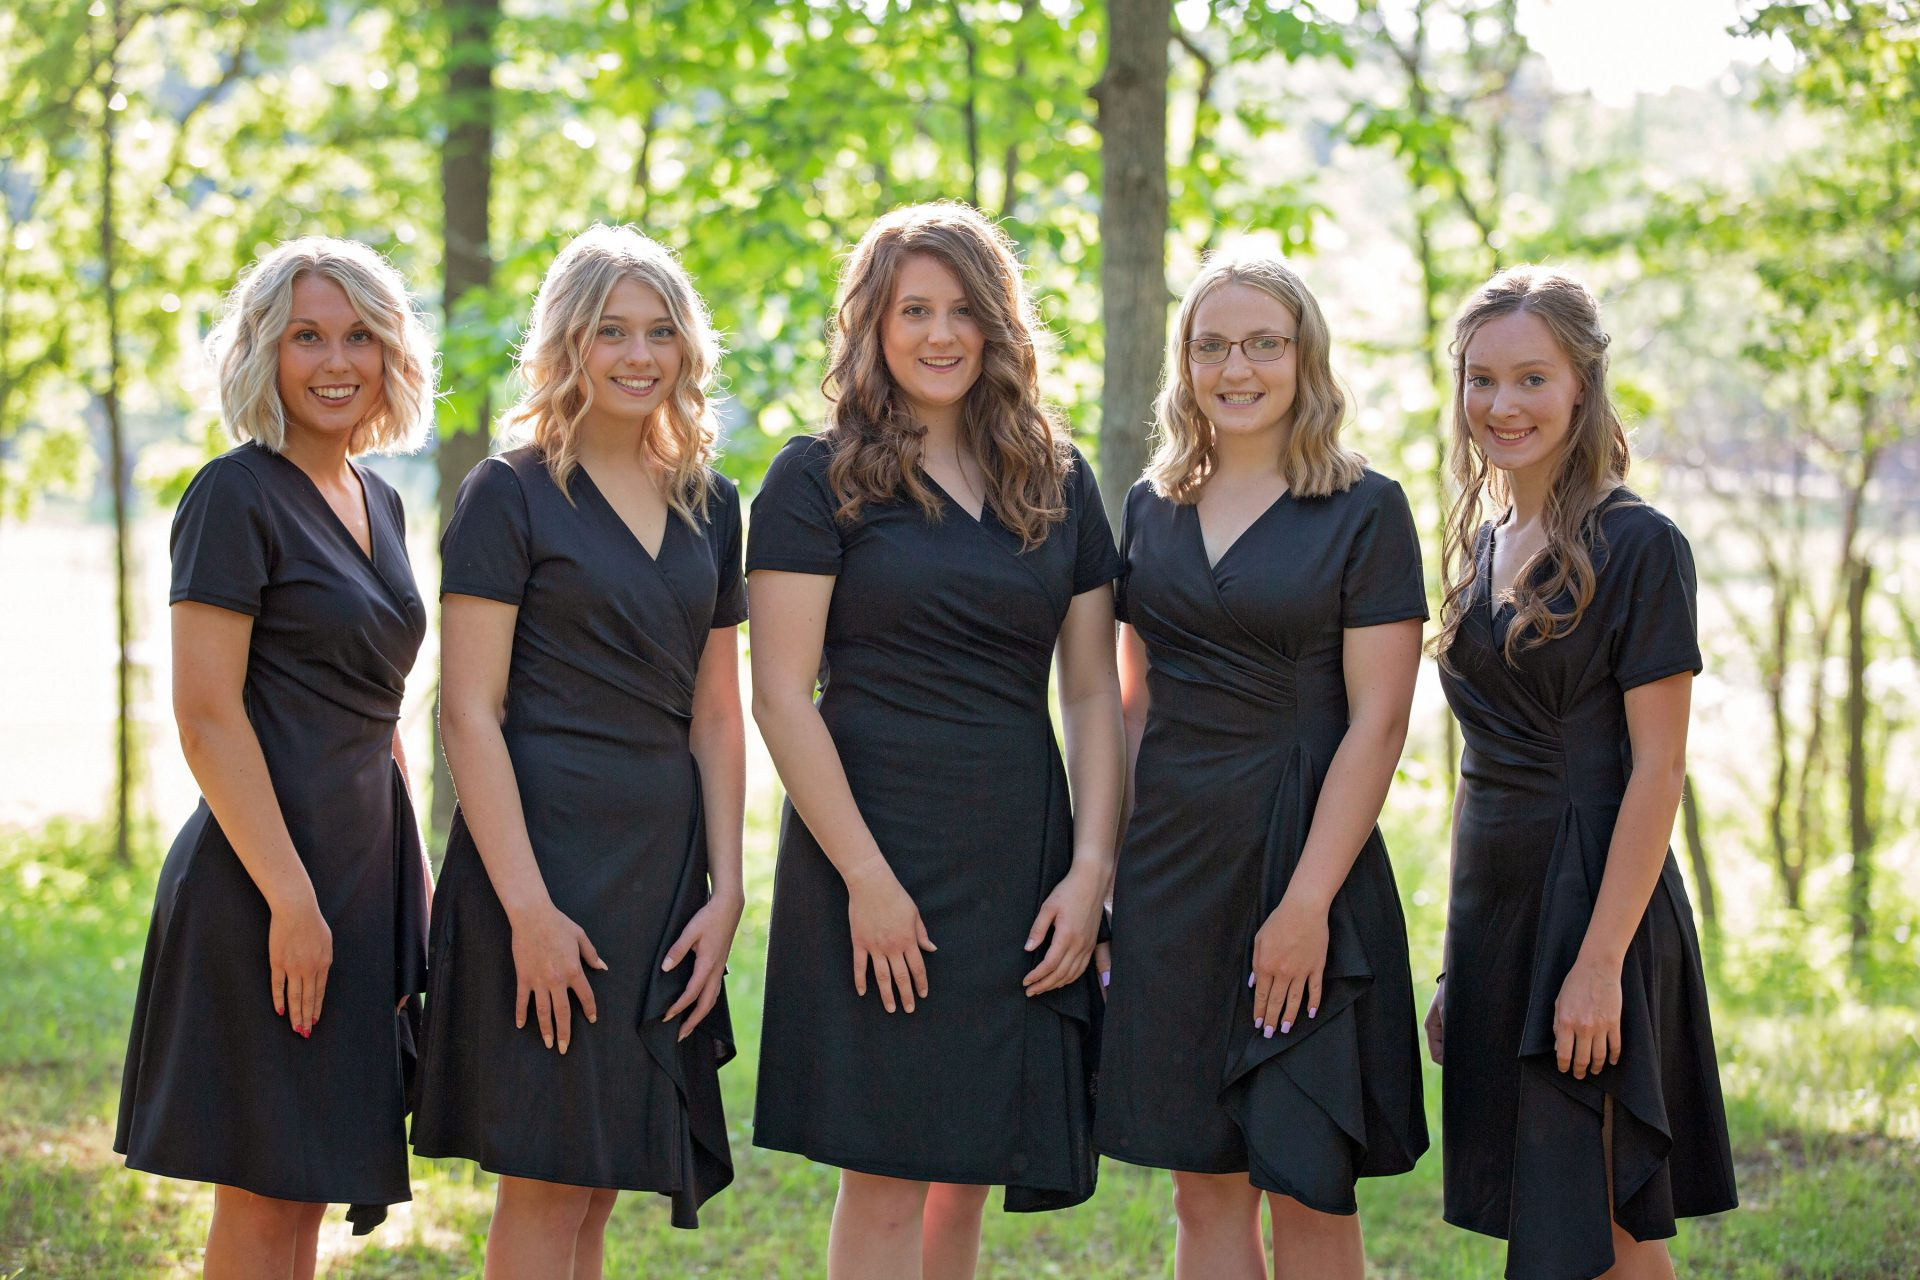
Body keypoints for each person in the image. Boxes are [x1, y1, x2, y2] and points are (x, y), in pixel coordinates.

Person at [747, 201, 1125, 1280]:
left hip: (1019, 850)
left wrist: (1092, 869)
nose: (940, 333)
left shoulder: (1057, 479)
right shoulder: (810, 479)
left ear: (1000, 324)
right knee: (886, 1169)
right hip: (870, 844)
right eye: (913, 309)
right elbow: (781, 695)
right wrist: (864, 875)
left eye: (964, 308)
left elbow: (1094, 693)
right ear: (871, 324)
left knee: (966, 1164)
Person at [408, 225, 745, 1278]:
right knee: (548, 1179)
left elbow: (718, 717)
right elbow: (468, 710)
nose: (639, 354)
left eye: (659, 331)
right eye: (612, 331)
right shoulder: (505, 495)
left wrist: (728, 889)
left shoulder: (711, 504)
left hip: (659, 873)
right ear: (569, 343)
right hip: (543, 861)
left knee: (598, 1183)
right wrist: (527, 910)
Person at [1094, 250, 1429, 1280]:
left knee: (1308, 1184)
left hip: (1303, 858)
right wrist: (1106, 879)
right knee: (1204, 1193)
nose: (1236, 366)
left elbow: (1378, 723)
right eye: (1211, 345)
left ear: (1304, 356)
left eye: (1263, 344)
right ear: (1185, 363)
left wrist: (1307, 903)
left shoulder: (1367, 509)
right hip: (1172, 874)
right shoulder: (1151, 506)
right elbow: (1133, 702)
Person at [114, 237, 437, 1277]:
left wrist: (408, 885)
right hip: (264, 886)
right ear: (264, 351)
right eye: (308, 336)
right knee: (261, 1196)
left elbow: (378, 713)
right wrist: (294, 900)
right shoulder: (232, 495)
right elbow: (206, 716)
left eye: (358, 336)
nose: (335, 360)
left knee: (302, 1189)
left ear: (390, 353)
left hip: (359, 878)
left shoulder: (376, 499)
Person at [1427, 267, 1737, 1280]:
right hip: (1500, 909)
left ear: (1581, 383)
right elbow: (1481, 766)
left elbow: (1659, 770)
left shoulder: (1642, 544)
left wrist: (1600, 963)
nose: (1502, 405)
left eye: (1530, 378)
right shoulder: (1481, 543)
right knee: (1549, 1218)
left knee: (1605, 1227)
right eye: (1481, 380)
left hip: (1600, 905)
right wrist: (1455, 960)